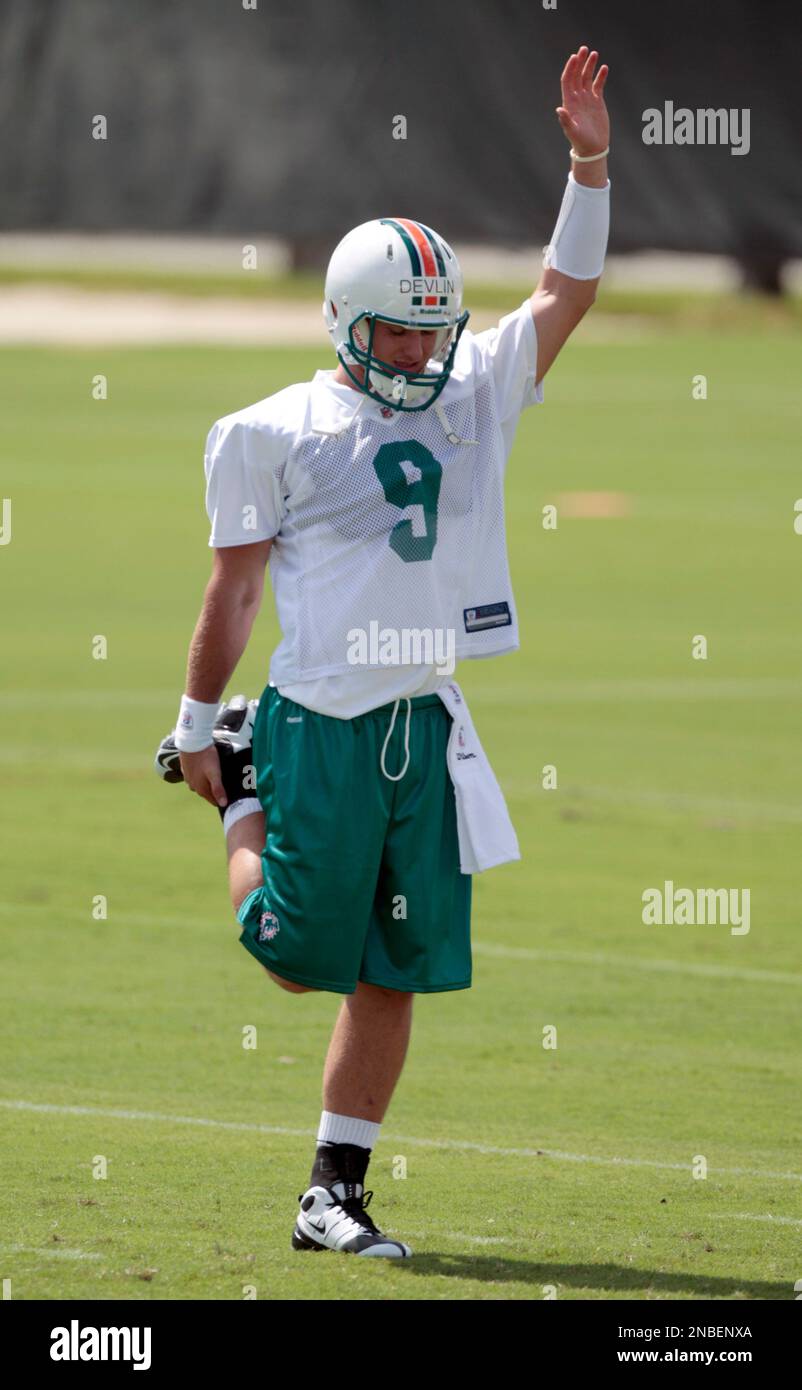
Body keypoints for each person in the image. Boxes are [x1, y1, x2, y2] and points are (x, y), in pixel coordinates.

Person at [155, 47, 610, 1258]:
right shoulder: (273, 430)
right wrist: (201, 728)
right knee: (298, 966)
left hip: (427, 718)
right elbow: (234, 594)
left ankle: (332, 1192)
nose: (421, 356)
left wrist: (590, 160)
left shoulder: (473, 392)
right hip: (318, 715)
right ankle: (241, 804)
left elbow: (565, 290)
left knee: (394, 969)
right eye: (397, 339)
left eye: (433, 334)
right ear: (344, 328)